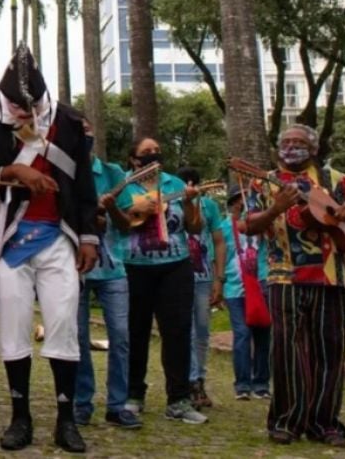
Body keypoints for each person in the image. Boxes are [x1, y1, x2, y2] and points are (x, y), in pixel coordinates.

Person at [0, 44, 99, 453]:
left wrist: (90, 236)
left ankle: (65, 419)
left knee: (62, 326)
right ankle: (20, 417)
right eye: (16, 107)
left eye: (31, 106)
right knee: (13, 329)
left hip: (59, 236)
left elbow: (85, 185)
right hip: (8, 241)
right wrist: (11, 171)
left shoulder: (70, 121)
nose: (24, 114)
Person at [244, 124, 345, 448]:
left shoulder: (334, 180)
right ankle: (286, 422)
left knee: (330, 350)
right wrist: (276, 208)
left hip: (331, 276)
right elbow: (248, 225)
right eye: (286, 142)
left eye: (299, 142)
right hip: (284, 276)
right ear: (277, 148)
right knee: (286, 352)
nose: (292, 147)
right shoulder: (261, 181)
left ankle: (325, 423)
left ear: (313, 148)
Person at [101, 137, 207, 424]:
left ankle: (179, 399)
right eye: (146, 152)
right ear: (134, 160)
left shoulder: (174, 184)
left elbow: (195, 227)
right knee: (135, 332)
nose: (153, 155)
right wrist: (114, 208)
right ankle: (134, 394)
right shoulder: (122, 185)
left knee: (178, 332)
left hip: (175, 266)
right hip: (134, 267)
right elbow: (122, 224)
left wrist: (189, 203)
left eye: (156, 151)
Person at [74, 122, 141, 430]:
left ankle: (117, 405)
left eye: (89, 130)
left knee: (121, 337)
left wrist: (111, 211)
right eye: (79, 130)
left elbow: (127, 224)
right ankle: (81, 403)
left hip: (113, 268)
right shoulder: (65, 170)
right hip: (75, 267)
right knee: (77, 337)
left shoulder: (113, 173)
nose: (85, 134)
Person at [175, 166, 225, 411]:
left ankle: (199, 377)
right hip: (179, 274)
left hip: (204, 275)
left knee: (203, 330)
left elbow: (218, 240)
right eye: (187, 182)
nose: (192, 185)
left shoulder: (210, 207)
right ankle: (191, 381)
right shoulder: (172, 204)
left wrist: (220, 278)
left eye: (195, 181)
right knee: (186, 329)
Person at [221, 184, 270, 401]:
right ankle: (242, 384)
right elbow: (219, 255)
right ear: (234, 204)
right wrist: (219, 284)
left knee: (263, 334)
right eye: (242, 199)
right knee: (242, 334)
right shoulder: (224, 227)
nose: (248, 203)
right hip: (235, 287)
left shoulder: (264, 226)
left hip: (261, 284)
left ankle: (261, 383)